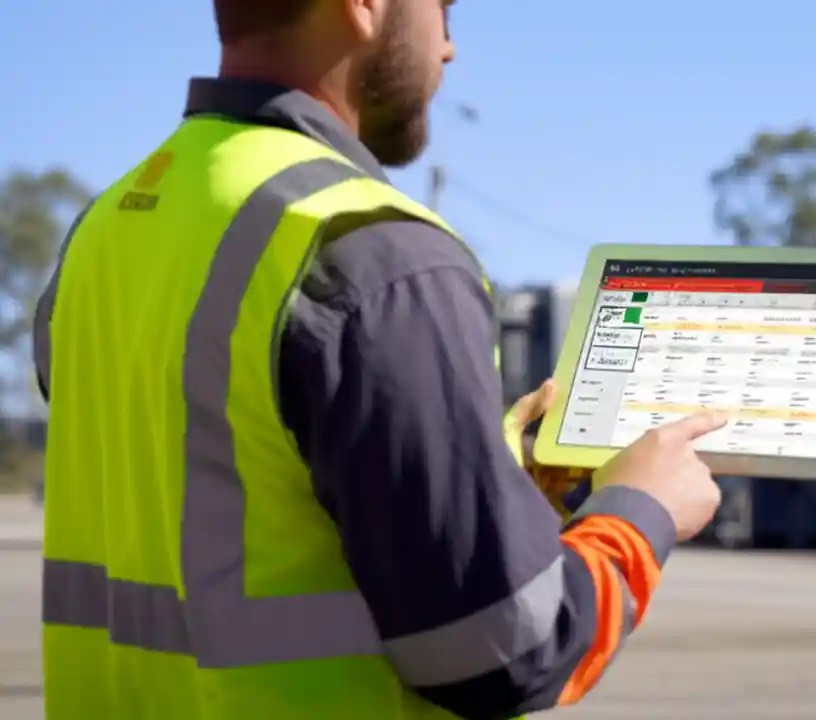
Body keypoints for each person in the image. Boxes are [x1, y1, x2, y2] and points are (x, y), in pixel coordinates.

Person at [33, 1, 728, 718]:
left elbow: (223, 486)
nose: (450, 48)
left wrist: (486, 486)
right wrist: (641, 508)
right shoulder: (373, 251)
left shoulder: (104, 230)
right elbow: (503, 653)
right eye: (445, 10)